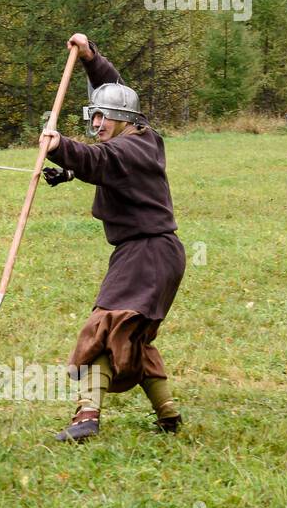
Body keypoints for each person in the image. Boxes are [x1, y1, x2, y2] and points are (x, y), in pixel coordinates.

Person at [40, 33, 185, 442]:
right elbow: (115, 89)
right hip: (149, 254)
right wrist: (90, 57)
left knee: (103, 328)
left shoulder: (134, 148)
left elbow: (100, 160)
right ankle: (168, 413)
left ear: (125, 120)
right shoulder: (135, 135)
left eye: (104, 117)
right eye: (94, 116)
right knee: (132, 336)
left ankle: (86, 416)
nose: (97, 123)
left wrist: (61, 148)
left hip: (148, 254)